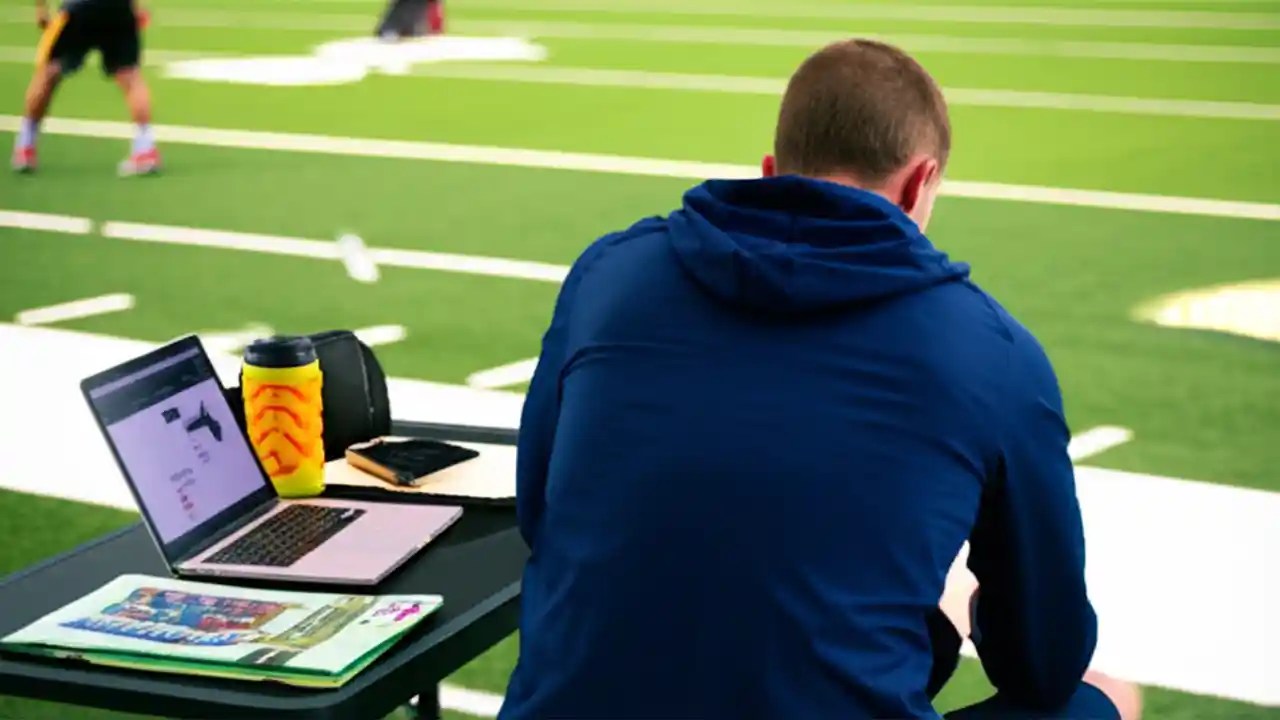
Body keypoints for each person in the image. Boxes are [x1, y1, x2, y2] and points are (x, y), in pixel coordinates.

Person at [501, 39, 1143, 720]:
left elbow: (541, 515)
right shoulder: (993, 353)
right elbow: (1043, 661)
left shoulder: (609, 276)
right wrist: (960, 613)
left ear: (774, 170)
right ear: (920, 183)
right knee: (1098, 705)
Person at [12, 0, 159, 175]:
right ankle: (144, 149)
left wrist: (41, 8)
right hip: (118, 7)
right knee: (131, 77)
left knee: (48, 71)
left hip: (80, 8)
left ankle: (26, 145)